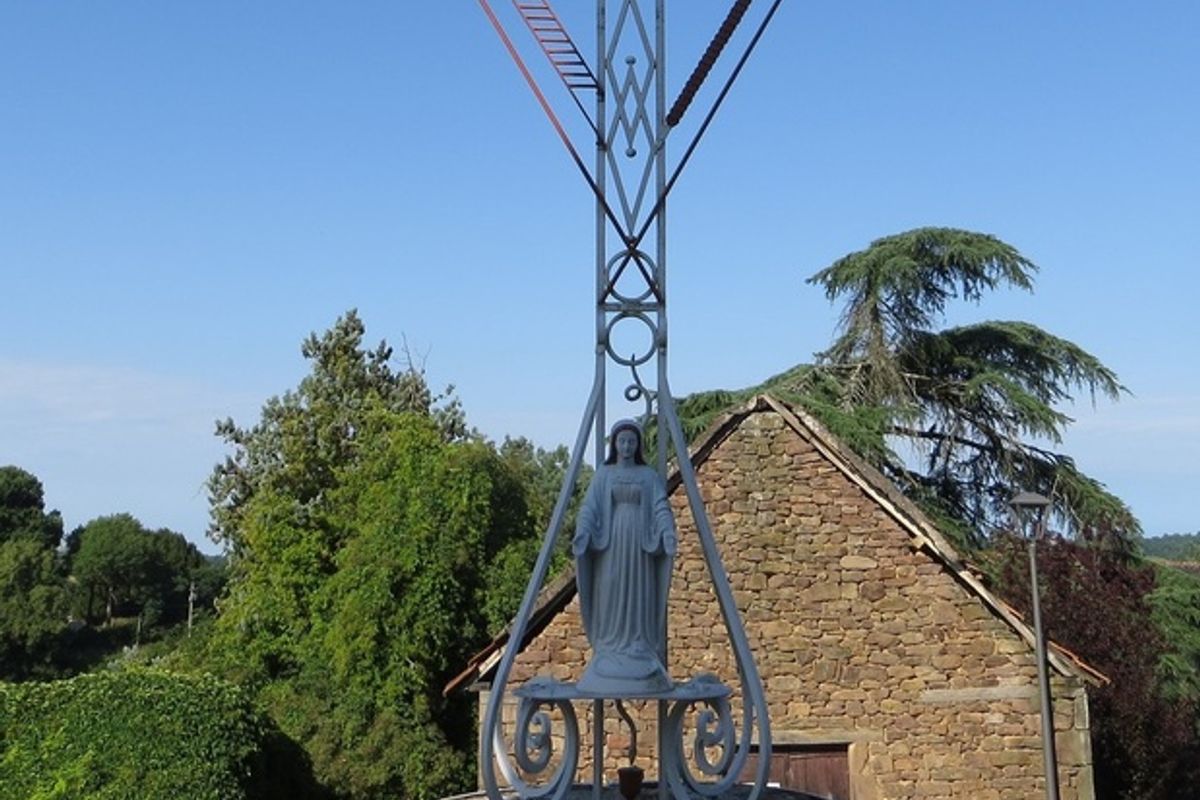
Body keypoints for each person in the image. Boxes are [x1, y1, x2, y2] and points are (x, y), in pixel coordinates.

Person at [573, 419, 677, 694]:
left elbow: (660, 507)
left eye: (632, 442)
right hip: (612, 543)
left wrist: (667, 531)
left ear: (638, 445)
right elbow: (589, 508)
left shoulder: (647, 476)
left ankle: (638, 645)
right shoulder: (604, 476)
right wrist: (583, 532)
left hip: (640, 545)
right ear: (614, 444)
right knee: (611, 589)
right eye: (622, 441)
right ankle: (609, 647)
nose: (627, 446)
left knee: (638, 592)